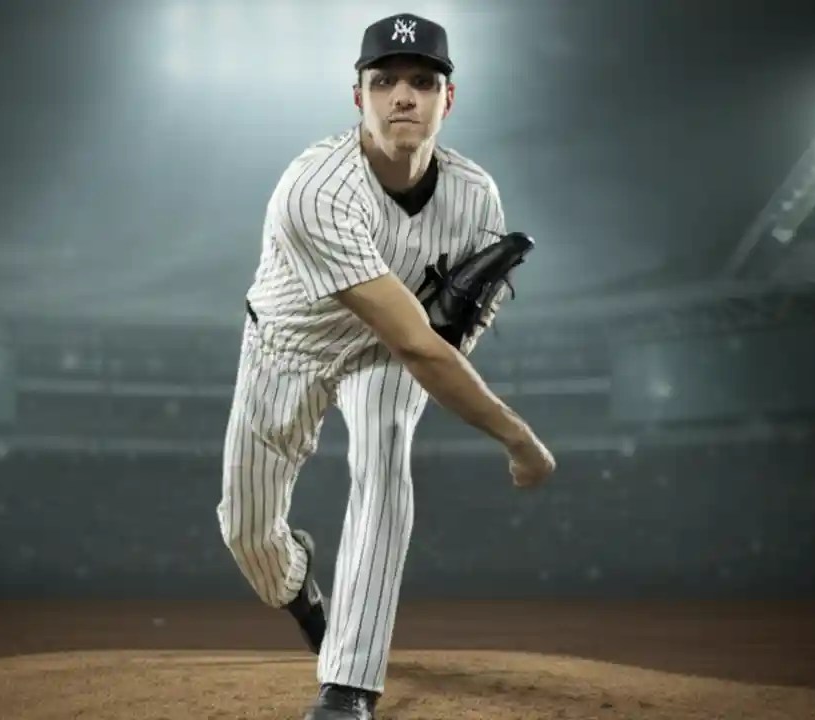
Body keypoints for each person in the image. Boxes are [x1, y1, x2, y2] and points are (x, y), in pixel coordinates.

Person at [216, 12, 556, 719]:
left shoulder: (476, 196)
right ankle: (298, 582)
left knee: (385, 463)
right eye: (385, 81)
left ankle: (349, 684)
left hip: (388, 354)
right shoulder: (316, 190)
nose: (404, 95)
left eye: (424, 81)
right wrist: (518, 438)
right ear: (358, 97)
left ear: (447, 100)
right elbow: (420, 341)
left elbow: (454, 328)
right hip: (289, 345)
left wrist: (456, 342)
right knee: (246, 533)